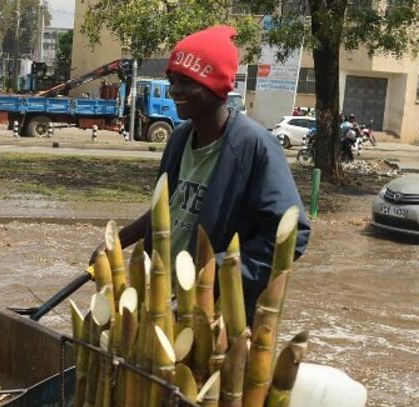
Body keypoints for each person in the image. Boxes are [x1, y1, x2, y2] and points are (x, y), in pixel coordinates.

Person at [114, 25, 310, 321]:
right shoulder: (179, 138)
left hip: (216, 313)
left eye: (186, 81)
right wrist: (117, 242)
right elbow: (167, 210)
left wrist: (211, 276)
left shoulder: (255, 146)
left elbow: (291, 235)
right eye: (172, 80)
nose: (175, 90)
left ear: (217, 85)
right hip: (162, 299)